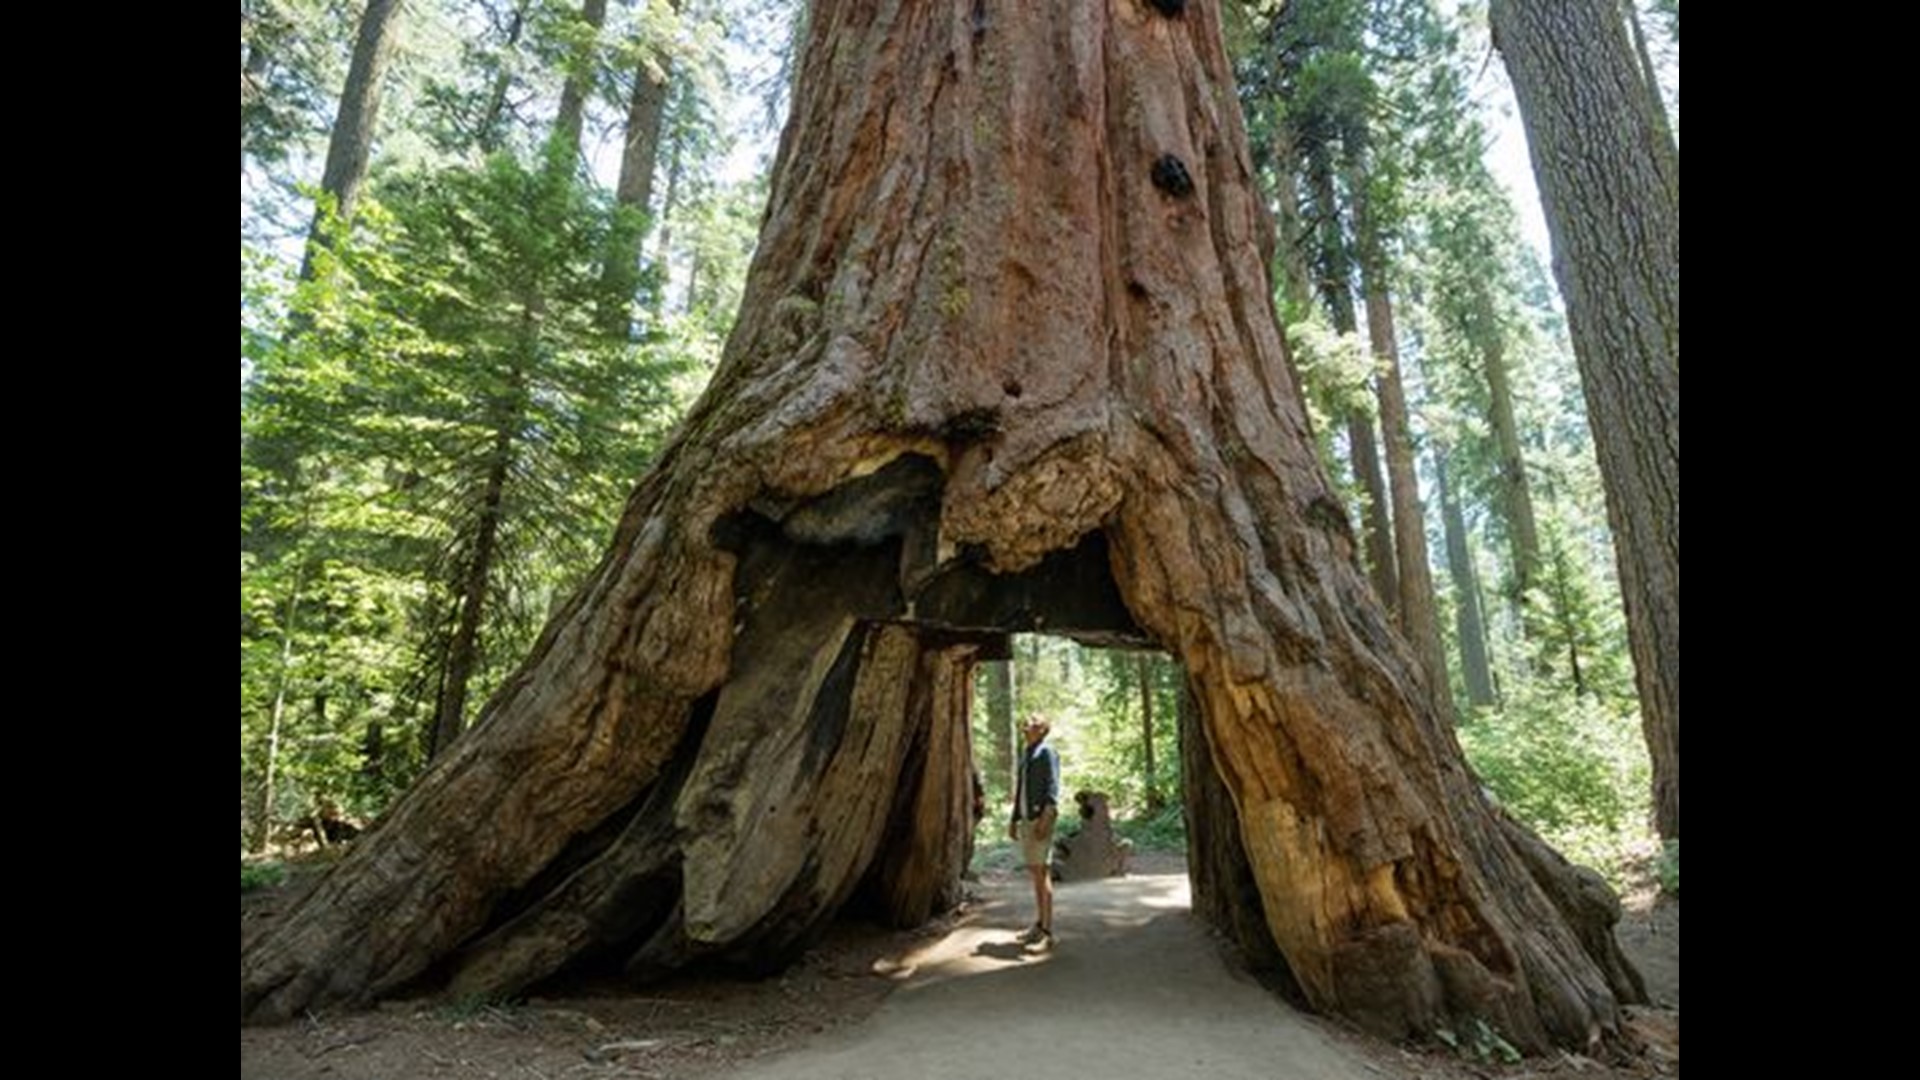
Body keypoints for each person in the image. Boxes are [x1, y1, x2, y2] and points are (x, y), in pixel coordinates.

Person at [1009, 714, 1060, 947]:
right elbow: (1020, 789)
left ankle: (1047, 933)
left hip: (1041, 818)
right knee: (1035, 873)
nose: (1025, 726)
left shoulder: (1046, 752)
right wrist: (1014, 819)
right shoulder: (1027, 753)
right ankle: (1039, 924)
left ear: (1042, 729)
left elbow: (1052, 787)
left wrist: (1045, 819)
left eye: (1032, 723)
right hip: (1027, 819)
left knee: (1042, 873)